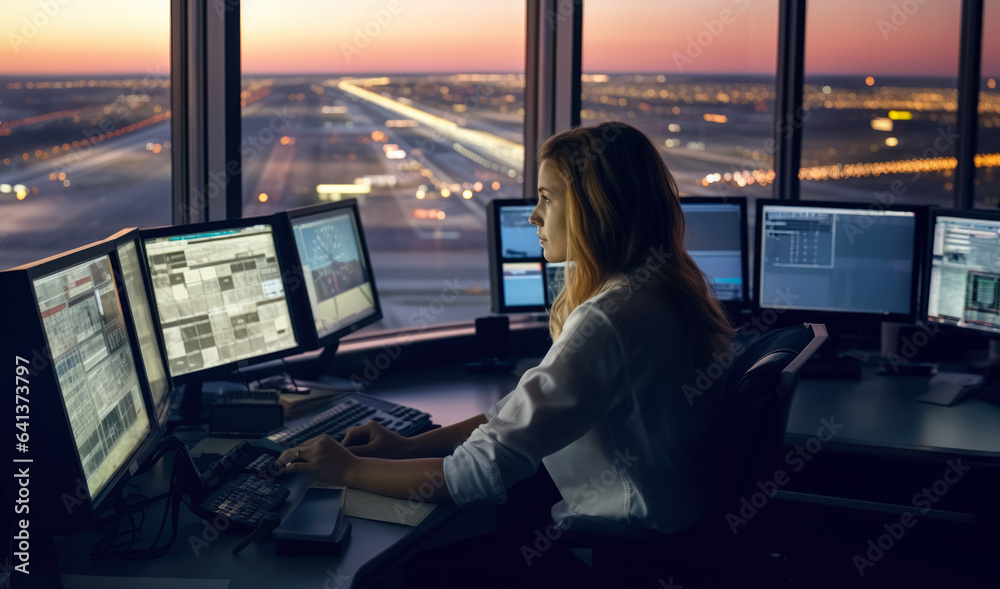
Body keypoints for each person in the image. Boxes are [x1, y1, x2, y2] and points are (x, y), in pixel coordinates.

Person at [277, 121, 735, 585]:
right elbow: (513, 417)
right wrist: (409, 446)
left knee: (411, 574)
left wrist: (349, 468)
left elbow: (473, 476)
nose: (533, 216)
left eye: (547, 198)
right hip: (662, 536)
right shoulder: (660, 289)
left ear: (594, 208)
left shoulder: (608, 319)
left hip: (624, 556)